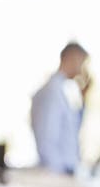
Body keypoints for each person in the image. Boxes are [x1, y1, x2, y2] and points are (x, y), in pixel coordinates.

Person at [31, 42, 91, 175]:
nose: (83, 69)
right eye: (82, 62)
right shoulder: (52, 92)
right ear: (72, 58)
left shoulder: (63, 90)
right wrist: (59, 172)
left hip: (63, 169)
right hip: (58, 171)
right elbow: (47, 136)